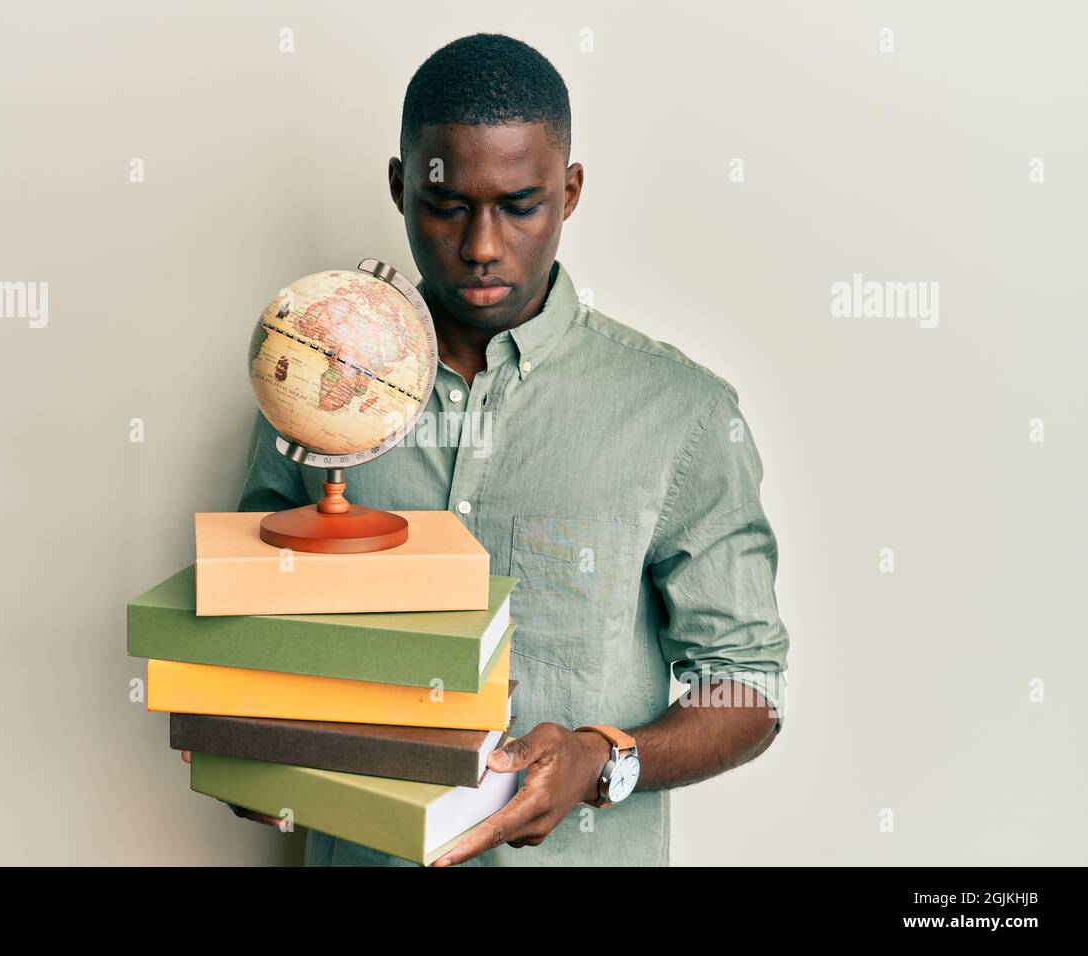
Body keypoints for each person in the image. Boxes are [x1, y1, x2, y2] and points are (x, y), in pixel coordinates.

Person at [188, 31, 790, 867]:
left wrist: (604, 760)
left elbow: (748, 686)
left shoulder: (681, 414)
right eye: (446, 205)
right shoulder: (316, 387)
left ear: (570, 192)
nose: (479, 245)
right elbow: (250, 621)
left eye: (519, 205)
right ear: (400, 188)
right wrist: (248, 749)